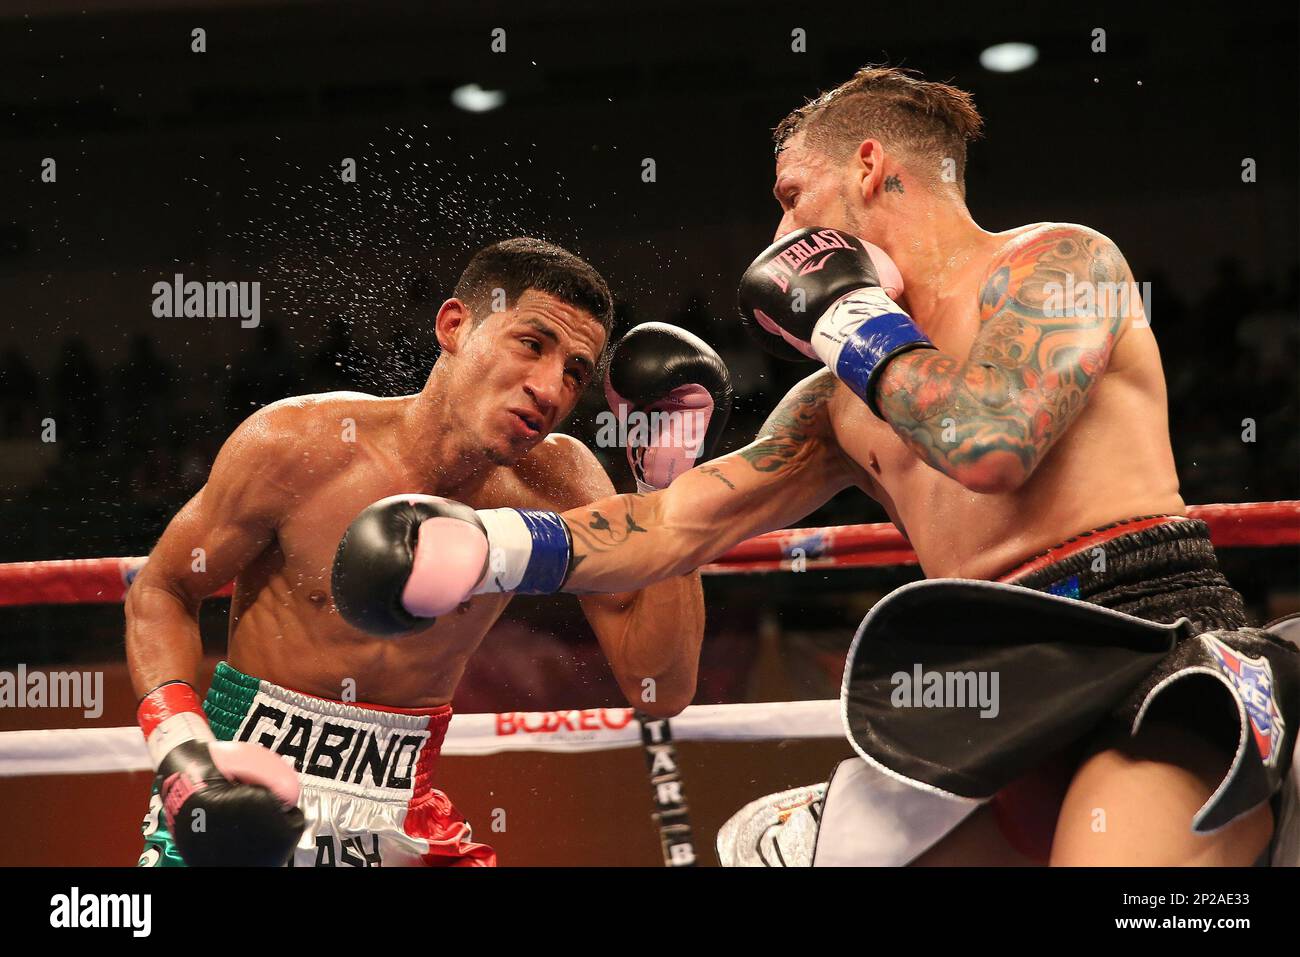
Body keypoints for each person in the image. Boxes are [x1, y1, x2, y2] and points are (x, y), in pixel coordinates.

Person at [351, 68, 1298, 866]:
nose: (777, 233)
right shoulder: (838, 403)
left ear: (870, 164)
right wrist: (493, 544)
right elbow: (673, 527)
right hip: (989, 686)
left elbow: (993, 442)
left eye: (790, 195)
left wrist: (851, 321)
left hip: (1145, 642)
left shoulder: (1057, 264)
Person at [127, 237, 732, 866]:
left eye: (576, 373)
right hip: (241, 782)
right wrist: (183, 754)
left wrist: (668, 494)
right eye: (532, 344)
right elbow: (163, 589)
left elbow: (659, 686)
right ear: (454, 325)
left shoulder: (560, 485)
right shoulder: (299, 445)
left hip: (399, 807)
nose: (551, 388)